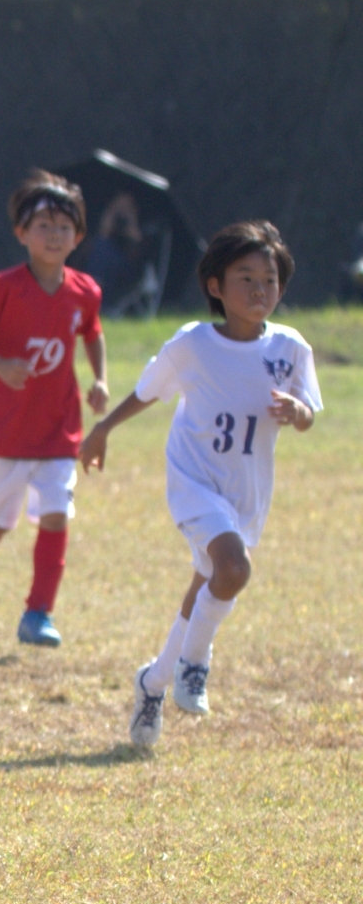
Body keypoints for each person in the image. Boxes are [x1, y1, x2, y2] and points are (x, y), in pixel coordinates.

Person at [80, 222, 320, 751]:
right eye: (247, 278)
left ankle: (154, 682)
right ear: (216, 286)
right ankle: (195, 663)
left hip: (246, 491)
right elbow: (148, 392)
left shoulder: (290, 348)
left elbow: (307, 416)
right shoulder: (192, 344)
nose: (261, 290)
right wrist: (102, 429)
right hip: (193, 480)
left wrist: (297, 410)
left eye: (270, 279)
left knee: (207, 588)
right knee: (233, 569)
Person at [0, 170, 108, 650]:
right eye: (43, 226)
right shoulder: (1, 288)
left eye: (65, 227)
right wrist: (0, 364)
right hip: (8, 431)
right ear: (21, 234)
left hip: (59, 428)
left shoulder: (85, 291)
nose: (54, 235)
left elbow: (92, 332)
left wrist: (100, 379)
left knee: (57, 515)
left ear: (78, 237)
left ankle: (38, 613)